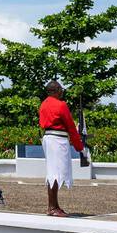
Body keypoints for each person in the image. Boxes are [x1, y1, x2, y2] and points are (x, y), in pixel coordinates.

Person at [39, 80, 85, 217]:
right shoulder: (61, 105)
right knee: (56, 173)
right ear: (56, 90)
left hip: (48, 138)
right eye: (60, 89)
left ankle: (53, 206)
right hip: (58, 140)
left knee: (52, 172)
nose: (62, 91)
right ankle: (53, 207)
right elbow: (70, 126)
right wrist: (79, 146)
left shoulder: (43, 104)